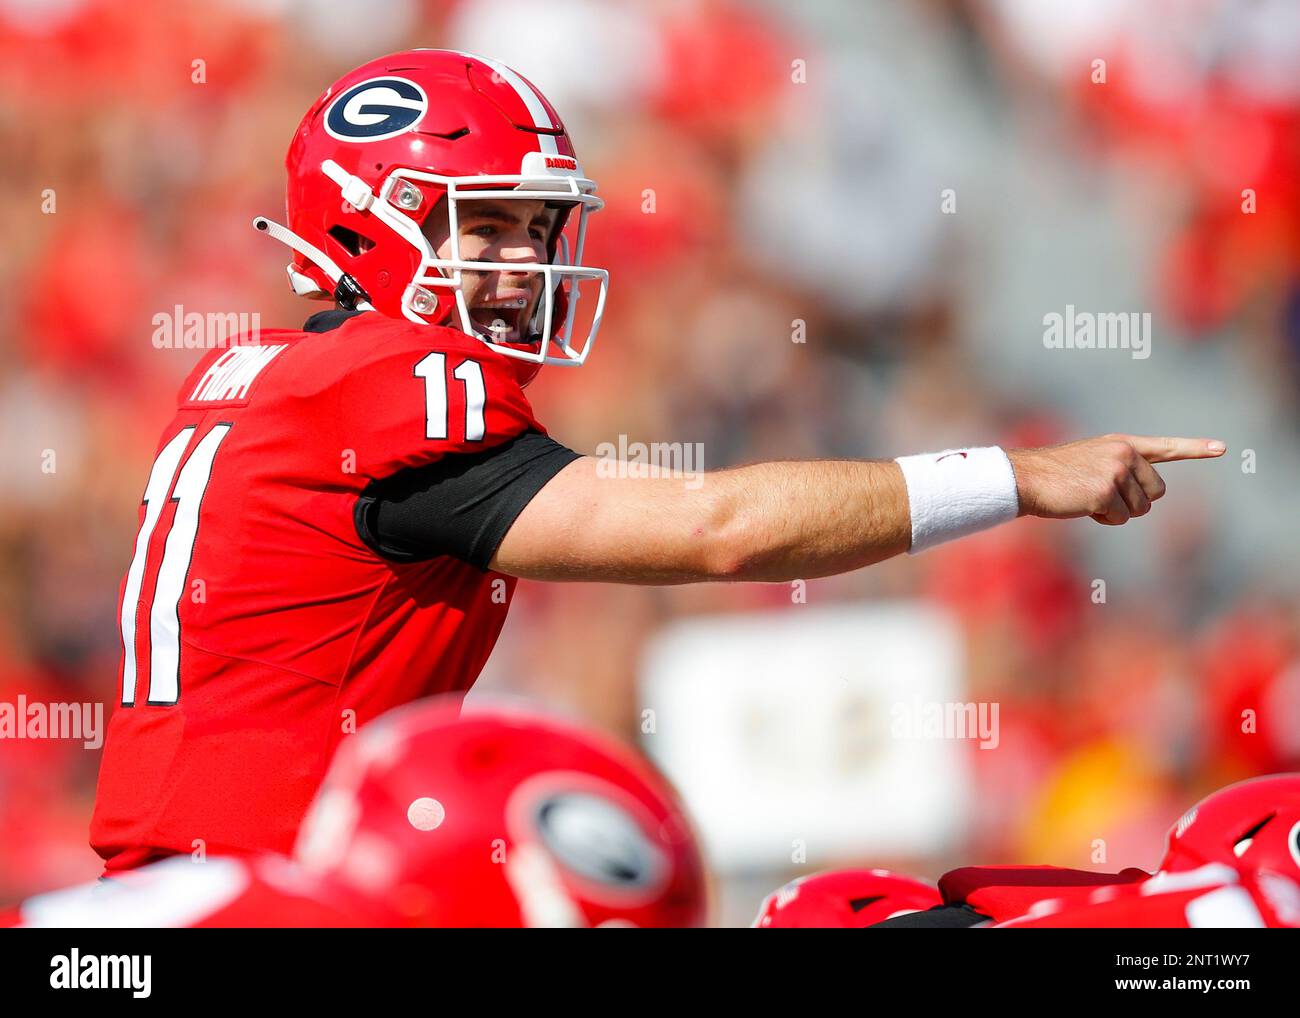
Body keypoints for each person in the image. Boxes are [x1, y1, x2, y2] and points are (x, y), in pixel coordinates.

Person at [91, 48, 1226, 874]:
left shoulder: (252, 376)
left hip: (183, 885)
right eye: (483, 231)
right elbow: (717, 530)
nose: (521, 267)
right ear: (359, 226)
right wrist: (1015, 478)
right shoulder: (391, 384)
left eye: (537, 232)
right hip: (258, 891)